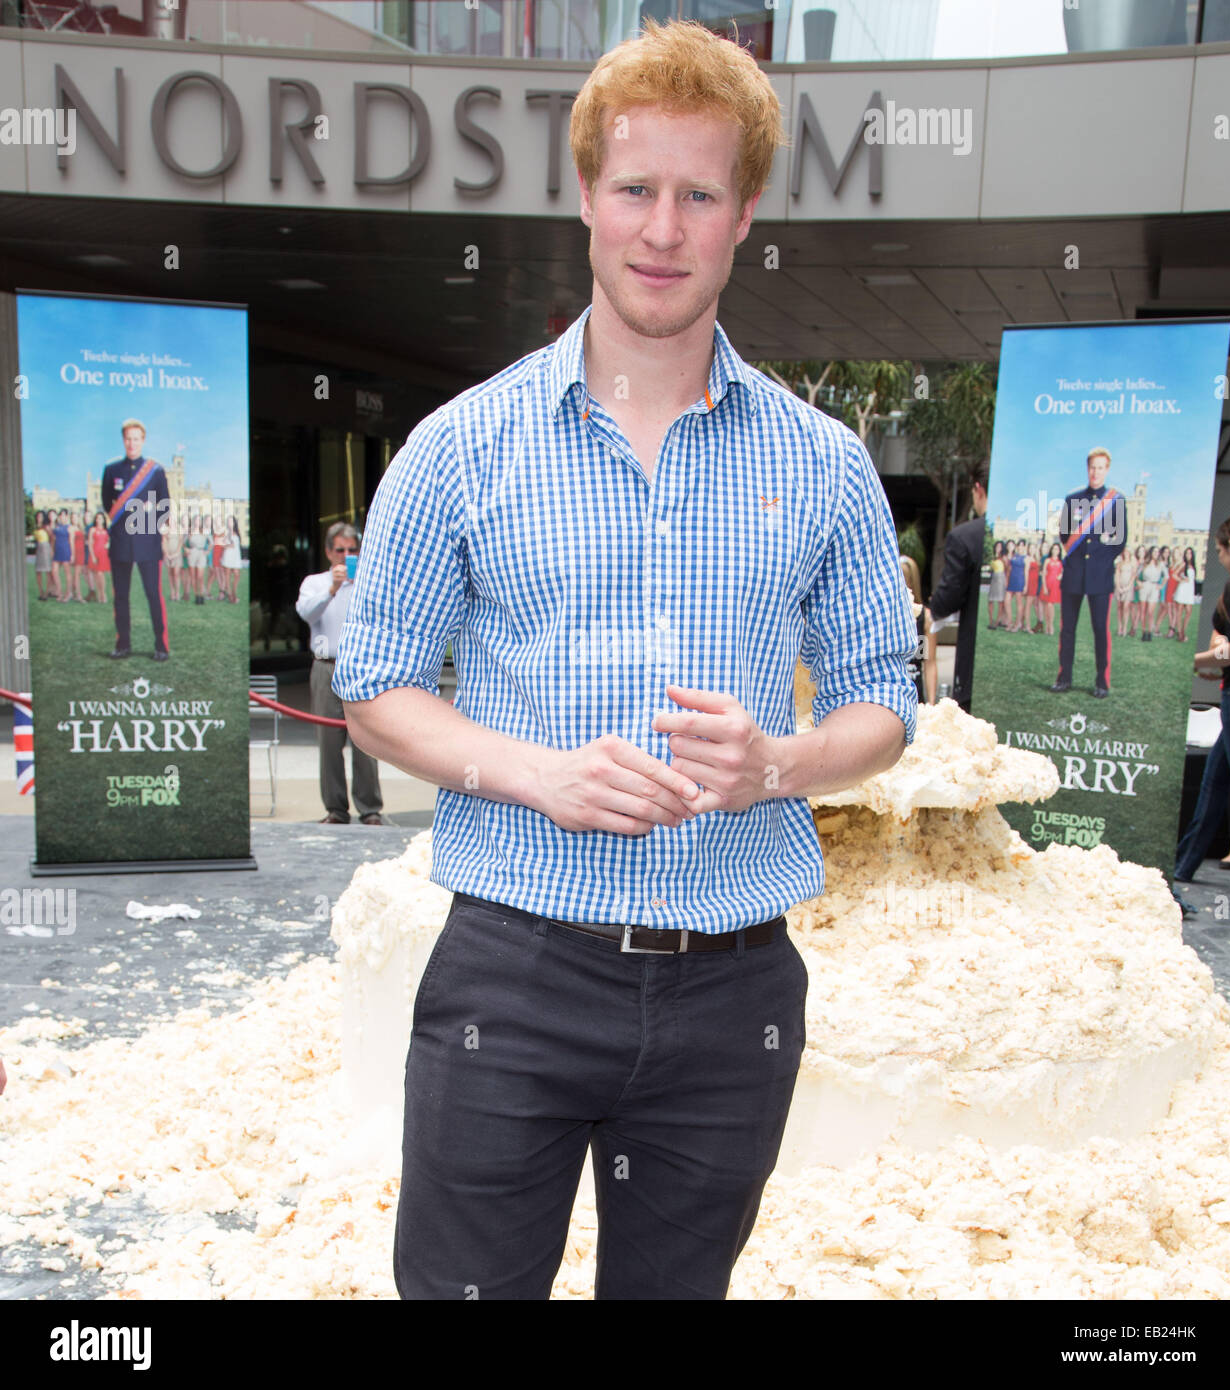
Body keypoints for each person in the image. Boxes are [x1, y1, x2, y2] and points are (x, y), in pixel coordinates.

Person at [333, 17, 918, 1302]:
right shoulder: (459, 447)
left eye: (698, 194)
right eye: (637, 188)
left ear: (744, 212)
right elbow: (372, 682)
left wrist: (781, 763)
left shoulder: (821, 465)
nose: (663, 228)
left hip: (733, 989)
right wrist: (533, 775)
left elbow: (886, 695)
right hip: (515, 976)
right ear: (586, 194)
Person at [1173, 516, 1230, 887]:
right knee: (1215, 783)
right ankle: (1183, 866)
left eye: (1220, 550)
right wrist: (1217, 652)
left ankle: (1183, 866)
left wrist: (1197, 661)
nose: (1219, 557)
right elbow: (1224, 637)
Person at [296, 523, 385, 827]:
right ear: (328, 551)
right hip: (326, 664)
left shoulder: (369, 582)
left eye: (352, 550)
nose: (347, 556)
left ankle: (370, 807)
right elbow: (307, 614)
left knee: (367, 741)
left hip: (360, 667)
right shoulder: (315, 582)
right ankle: (336, 808)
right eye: (341, 550)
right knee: (329, 742)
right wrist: (332, 589)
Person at [1050, 446, 1127, 697]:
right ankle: (1064, 678)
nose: (1096, 472)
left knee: (1100, 631)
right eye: (1092, 467)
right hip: (1073, 574)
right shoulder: (1073, 499)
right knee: (1067, 630)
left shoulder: (1116, 501)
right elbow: (1064, 534)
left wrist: (1100, 562)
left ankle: (1101, 682)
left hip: (1100, 577)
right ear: (1087, 468)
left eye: (1101, 467)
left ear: (1107, 469)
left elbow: (1119, 541)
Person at [100, 419, 170, 660]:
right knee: (121, 597)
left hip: (148, 543)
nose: (132, 443)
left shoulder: (155, 471)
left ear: (143, 440)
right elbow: (107, 502)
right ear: (123, 440)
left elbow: (164, 507)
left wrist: (150, 526)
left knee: (153, 595)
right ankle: (123, 644)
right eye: (128, 438)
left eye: (136, 439)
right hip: (120, 542)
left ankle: (161, 645)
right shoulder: (111, 471)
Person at [927, 463, 987, 710]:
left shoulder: (965, 537)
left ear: (977, 489)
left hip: (975, 668)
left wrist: (933, 606)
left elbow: (946, 600)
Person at [899, 553, 937, 705]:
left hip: (915, 694)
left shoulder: (925, 617)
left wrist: (932, 703)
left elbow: (930, 663)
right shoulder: (883, 615)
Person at [87, 510, 111, 605]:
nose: (99, 520)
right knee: (97, 575)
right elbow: (90, 543)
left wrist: (108, 544)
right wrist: (92, 556)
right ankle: (99, 595)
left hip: (103, 554)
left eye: (101, 518)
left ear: (103, 520)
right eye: (97, 518)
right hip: (95, 553)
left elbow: (110, 540)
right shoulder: (92, 530)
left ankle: (103, 594)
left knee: (101, 575)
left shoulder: (106, 530)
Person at [1040, 540, 1063, 635]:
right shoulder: (1047, 560)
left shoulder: (1061, 562)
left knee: (1050, 605)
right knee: (1046, 606)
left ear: (1059, 551)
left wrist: (1061, 575)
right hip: (1047, 584)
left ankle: (1051, 625)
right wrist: (1044, 586)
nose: (1055, 550)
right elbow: (1043, 574)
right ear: (1051, 550)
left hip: (1055, 586)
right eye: (1054, 549)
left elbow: (1063, 571)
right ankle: (1046, 626)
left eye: (1057, 549)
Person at [1174, 547, 1197, 641]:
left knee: (1188, 611)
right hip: (1182, 589)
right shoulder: (1183, 564)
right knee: (1179, 612)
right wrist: (1182, 580)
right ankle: (1180, 633)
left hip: (1190, 591)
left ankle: (1183, 630)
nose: (1188, 555)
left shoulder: (1193, 566)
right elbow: (1174, 574)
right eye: (1187, 553)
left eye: (1190, 553)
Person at [1114, 545, 1137, 637]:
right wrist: (1118, 586)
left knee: (1126, 607)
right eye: (1125, 551)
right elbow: (1117, 575)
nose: (1126, 553)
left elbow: (1133, 576)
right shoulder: (1120, 563)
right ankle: (1119, 627)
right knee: (1119, 607)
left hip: (1128, 587)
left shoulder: (1133, 563)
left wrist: (1128, 587)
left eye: (1128, 551)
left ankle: (1125, 628)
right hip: (1120, 586)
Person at [32, 509, 56, 600]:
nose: (39, 518)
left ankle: (46, 593)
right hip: (39, 549)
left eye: (41, 516)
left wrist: (51, 549)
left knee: (47, 571)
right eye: (38, 516)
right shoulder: (36, 527)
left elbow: (52, 538)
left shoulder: (46, 527)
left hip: (46, 548)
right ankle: (41, 592)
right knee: (38, 571)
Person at [1006, 538, 1028, 631]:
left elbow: (1026, 572)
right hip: (1011, 581)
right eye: (1019, 545)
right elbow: (1008, 567)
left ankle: (1017, 624)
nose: (1020, 547)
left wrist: (1025, 585)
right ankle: (1010, 622)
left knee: (1019, 604)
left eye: (1022, 545)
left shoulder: (1026, 558)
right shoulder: (1014, 556)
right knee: (1006, 601)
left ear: (1024, 547)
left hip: (1020, 581)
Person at [222, 515, 243, 603]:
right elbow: (224, 544)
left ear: (234, 523)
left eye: (232, 521)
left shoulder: (237, 532)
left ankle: (234, 593)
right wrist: (228, 545)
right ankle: (231, 596)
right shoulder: (226, 532)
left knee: (237, 575)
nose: (230, 523)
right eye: (229, 521)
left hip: (236, 556)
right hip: (228, 556)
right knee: (227, 577)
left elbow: (237, 545)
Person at [51, 508, 71, 602]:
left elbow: (71, 541)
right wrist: (52, 550)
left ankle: (68, 593)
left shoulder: (69, 527)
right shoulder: (56, 527)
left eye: (64, 515)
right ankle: (59, 592)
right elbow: (53, 539)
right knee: (54, 571)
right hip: (57, 552)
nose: (62, 517)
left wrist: (73, 554)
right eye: (61, 515)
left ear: (67, 516)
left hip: (66, 551)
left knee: (67, 574)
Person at [987, 540, 1007, 629]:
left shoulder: (1003, 557)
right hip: (994, 578)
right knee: (990, 600)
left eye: (1000, 546)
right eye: (997, 546)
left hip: (1001, 579)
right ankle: (991, 620)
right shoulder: (993, 557)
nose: (998, 548)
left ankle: (997, 621)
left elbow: (1007, 569)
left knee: (1000, 601)